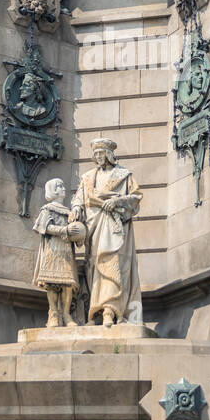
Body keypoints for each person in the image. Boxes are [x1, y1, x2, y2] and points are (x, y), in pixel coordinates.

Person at [71, 138, 142, 326]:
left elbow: (135, 198)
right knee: (94, 267)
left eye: (100, 153)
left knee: (112, 263)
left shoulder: (124, 175)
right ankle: (94, 311)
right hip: (93, 227)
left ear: (109, 155)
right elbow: (79, 197)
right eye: (95, 154)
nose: (97, 157)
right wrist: (77, 207)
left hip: (114, 227)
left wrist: (116, 202)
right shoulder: (87, 177)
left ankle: (110, 310)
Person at [32, 178, 83, 328]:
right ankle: (53, 313)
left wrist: (79, 234)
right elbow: (44, 227)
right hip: (52, 249)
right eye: (59, 186)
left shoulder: (69, 212)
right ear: (52, 190)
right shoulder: (47, 209)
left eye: (63, 185)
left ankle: (66, 315)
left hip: (66, 250)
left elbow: (77, 232)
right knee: (52, 284)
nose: (63, 188)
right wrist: (64, 230)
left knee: (68, 283)